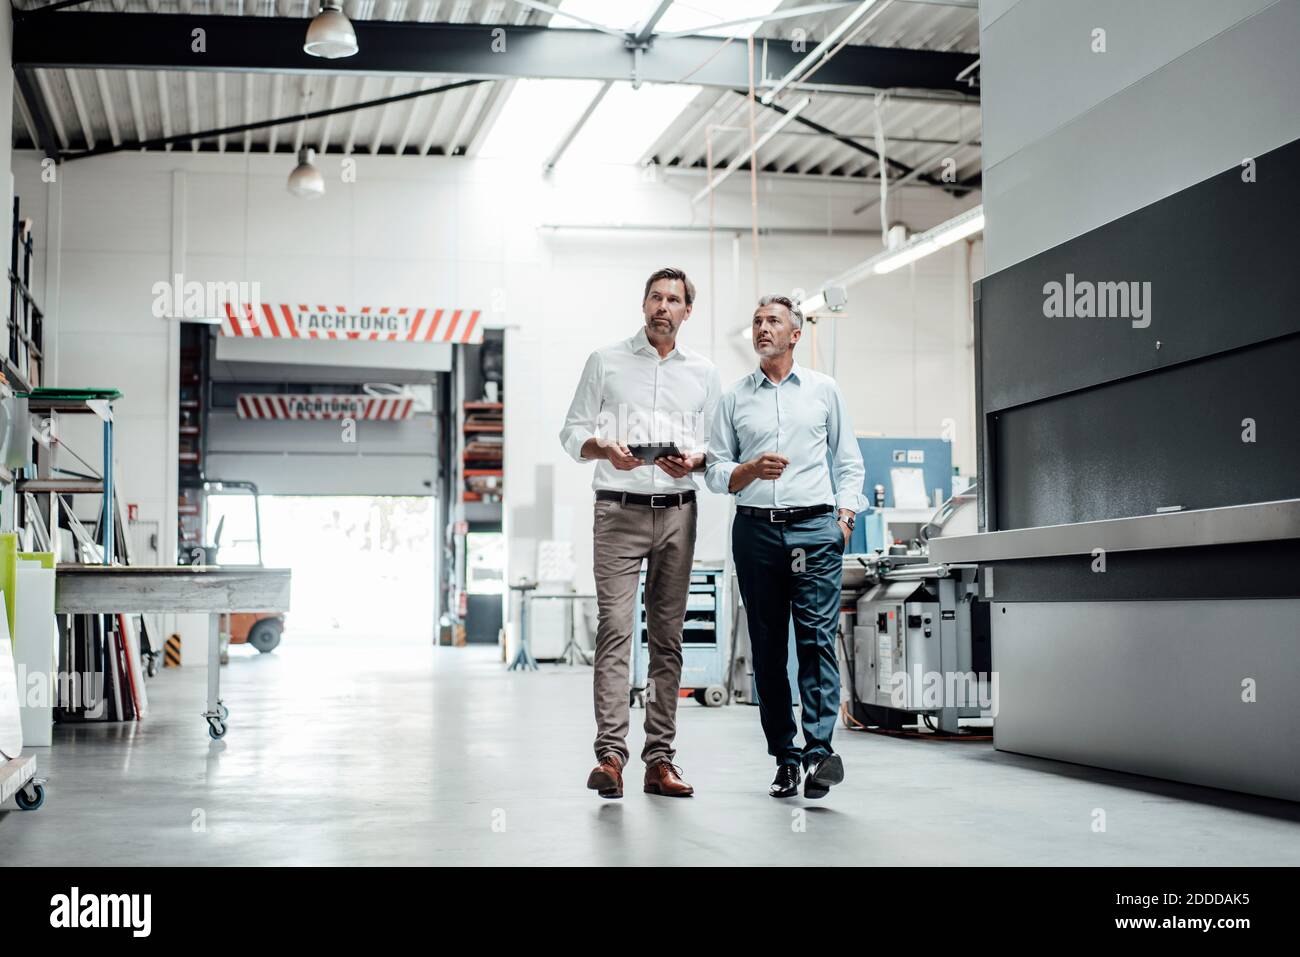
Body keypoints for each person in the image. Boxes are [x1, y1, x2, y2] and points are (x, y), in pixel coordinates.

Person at [559, 267, 721, 799]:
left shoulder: (704, 371)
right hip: (617, 511)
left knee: (668, 640)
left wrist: (694, 461)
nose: (663, 307)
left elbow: (718, 448)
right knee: (616, 631)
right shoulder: (605, 360)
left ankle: (660, 761)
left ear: (686, 312)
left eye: (674, 300)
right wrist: (605, 448)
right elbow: (571, 432)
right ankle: (611, 756)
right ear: (644, 303)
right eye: (656, 297)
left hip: (678, 510)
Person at [706, 295, 865, 799]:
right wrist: (747, 471)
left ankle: (819, 751)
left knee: (816, 640)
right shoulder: (734, 398)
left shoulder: (823, 391)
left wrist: (844, 519)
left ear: (795, 334)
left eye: (772, 321)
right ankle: (785, 756)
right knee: (769, 649)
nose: (762, 328)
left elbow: (849, 462)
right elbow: (713, 469)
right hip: (755, 533)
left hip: (814, 530)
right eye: (756, 321)